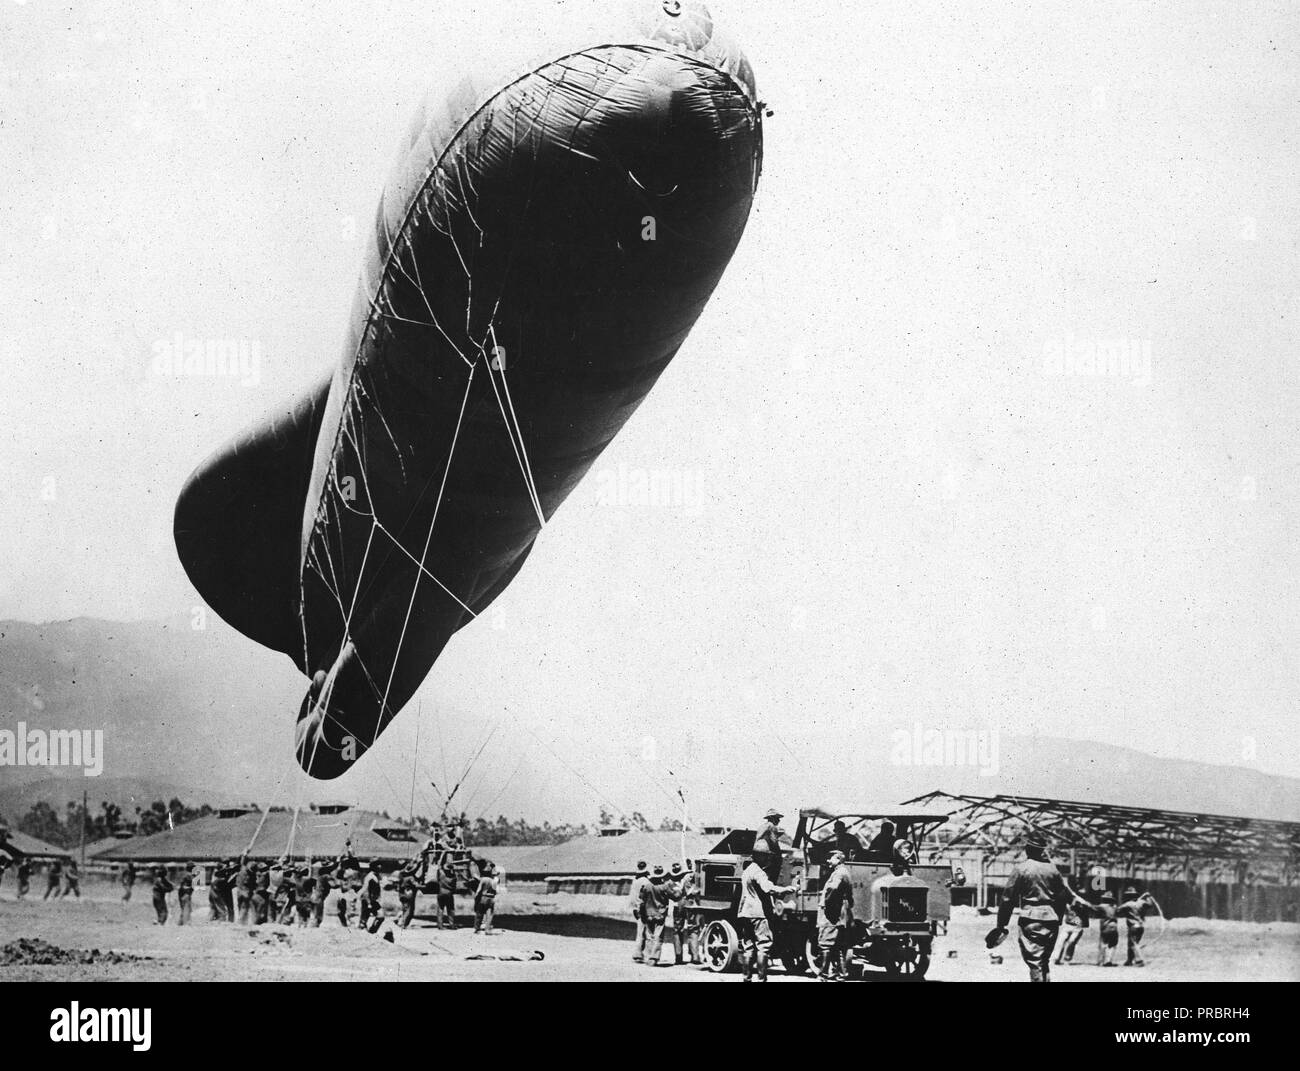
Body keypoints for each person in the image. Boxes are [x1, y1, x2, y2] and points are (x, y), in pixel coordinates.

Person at [988, 830, 1083, 982]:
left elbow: (1008, 899)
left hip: (1030, 919)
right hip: (1051, 920)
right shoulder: (1053, 869)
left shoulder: (1021, 868)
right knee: (1044, 962)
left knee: (1035, 963)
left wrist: (1001, 925)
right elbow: (1062, 897)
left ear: (1028, 849)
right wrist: (1057, 919)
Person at [737, 851, 795, 982]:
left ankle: (747, 979)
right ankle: (762, 979)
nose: (768, 859)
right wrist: (785, 889)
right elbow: (767, 888)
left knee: (748, 947)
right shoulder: (758, 872)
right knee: (763, 946)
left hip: (746, 913)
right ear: (758, 857)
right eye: (766, 856)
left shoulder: (747, 870)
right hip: (759, 914)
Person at [817, 850, 854, 981]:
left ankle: (823, 975)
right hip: (843, 912)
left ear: (838, 859)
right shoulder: (845, 871)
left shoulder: (839, 873)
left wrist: (826, 902)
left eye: (831, 858)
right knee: (839, 944)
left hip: (834, 911)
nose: (828, 861)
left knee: (825, 943)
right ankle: (842, 974)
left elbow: (833, 888)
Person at [638, 865, 682, 966]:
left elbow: (641, 900)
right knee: (658, 936)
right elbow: (675, 897)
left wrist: (642, 913)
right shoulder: (664, 886)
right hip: (660, 914)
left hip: (648, 914)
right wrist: (679, 891)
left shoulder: (647, 886)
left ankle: (649, 956)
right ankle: (654, 957)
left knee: (649, 936)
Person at [1119, 885, 1157, 966]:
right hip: (1140, 927)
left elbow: (1118, 910)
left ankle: (1139, 960)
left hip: (1133, 926)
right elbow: (1150, 904)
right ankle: (1129, 961)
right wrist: (1148, 897)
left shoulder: (1128, 904)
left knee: (1134, 944)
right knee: (1131, 944)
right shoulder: (1142, 902)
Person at [1054, 896, 1088, 965]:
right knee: (1061, 941)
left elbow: (1086, 907)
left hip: (1077, 927)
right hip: (1067, 925)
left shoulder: (1083, 907)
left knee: (1071, 942)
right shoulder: (1068, 905)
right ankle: (1056, 958)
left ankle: (1067, 958)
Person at [629, 860, 651, 963]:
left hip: (637, 908)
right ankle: (646, 954)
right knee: (647, 933)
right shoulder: (646, 882)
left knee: (640, 932)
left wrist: (634, 908)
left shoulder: (635, 881)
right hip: (644, 908)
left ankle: (638, 953)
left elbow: (632, 897)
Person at [474, 863, 499, 934]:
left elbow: (478, 890)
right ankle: (487, 930)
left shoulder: (483, 879)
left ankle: (477, 928)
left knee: (479, 913)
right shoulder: (494, 881)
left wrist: (476, 897)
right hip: (491, 898)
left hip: (483, 897)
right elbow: (496, 891)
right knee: (489, 914)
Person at [360, 861, 383, 933]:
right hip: (369, 900)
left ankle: (371, 931)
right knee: (366, 917)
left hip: (372, 900)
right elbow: (366, 890)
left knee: (379, 916)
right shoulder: (370, 877)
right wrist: (369, 903)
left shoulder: (375, 876)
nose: (380, 866)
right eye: (378, 865)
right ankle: (370, 932)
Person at [435, 856, 458, 930]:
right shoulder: (453, 877)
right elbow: (454, 886)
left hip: (441, 892)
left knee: (440, 908)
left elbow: (439, 866)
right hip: (449, 893)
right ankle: (451, 924)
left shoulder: (441, 875)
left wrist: (442, 855)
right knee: (450, 909)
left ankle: (440, 925)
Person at [235, 856, 256, 924]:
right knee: (244, 908)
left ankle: (242, 921)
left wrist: (244, 855)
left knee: (240, 907)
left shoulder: (241, 870)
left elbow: (241, 862)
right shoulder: (249, 875)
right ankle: (241, 922)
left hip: (239, 891)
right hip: (246, 892)